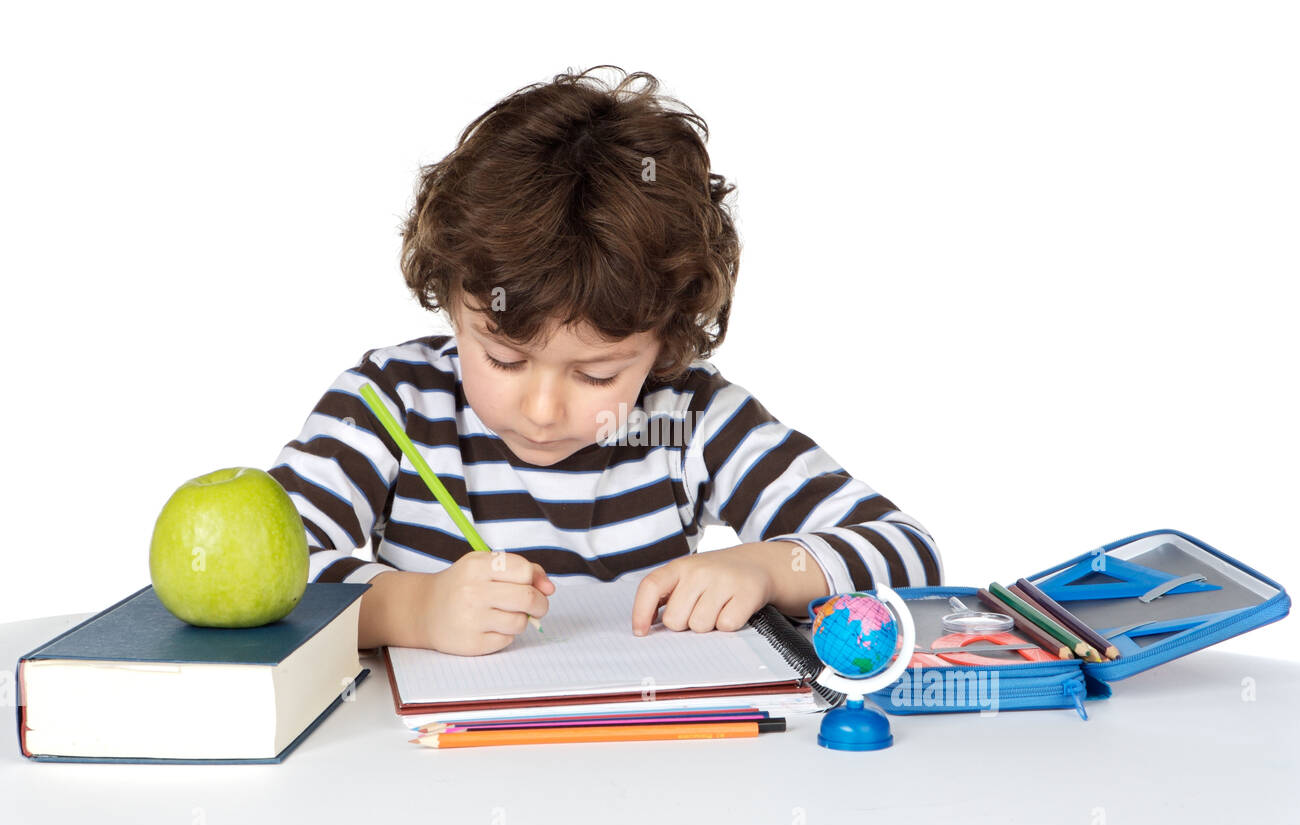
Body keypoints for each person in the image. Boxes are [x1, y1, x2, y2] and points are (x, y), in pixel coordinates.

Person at [268, 66, 942, 656]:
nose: (540, 410)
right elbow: (264, 584)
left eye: (596, 375)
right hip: (434, 769)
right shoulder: (390, 404)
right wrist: (410, 610)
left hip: (647, 771)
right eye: (503, 357)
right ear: (449, 301)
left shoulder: (689, 418)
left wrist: (766, 569)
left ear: (666, 343)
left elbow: (910, 554)